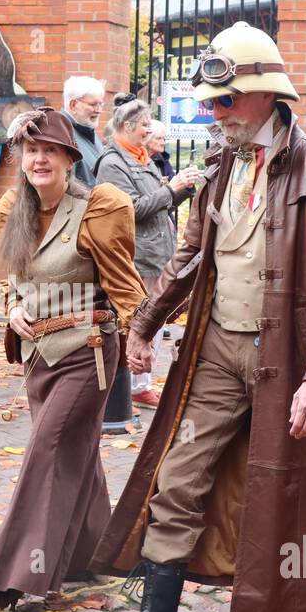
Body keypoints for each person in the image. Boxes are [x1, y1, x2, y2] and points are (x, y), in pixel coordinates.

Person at [78, 21, 306, 612]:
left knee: (279, 496)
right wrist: (144, 325)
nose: (216, 115)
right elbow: (189, 260)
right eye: (210, 104)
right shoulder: (218, 165)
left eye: (226, 101)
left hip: (288, 362)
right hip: (213, 354)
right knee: (177, 481)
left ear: (268, 95)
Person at [0, 107, 146, 610]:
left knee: (47, 451)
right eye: (31, 150)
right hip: (37, 357)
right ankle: (94, 554)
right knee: (76, 454)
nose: (39, 158)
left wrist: (140, 338)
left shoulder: (99, 207)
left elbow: (123, 283)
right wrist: (12, 308)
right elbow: (16, 282)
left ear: (70, 158)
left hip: (87, 354)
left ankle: (12, 575)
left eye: (50, 150)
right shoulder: (12, 209)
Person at [94, 97, 201, 408]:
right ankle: (136, 386)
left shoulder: (141, 158)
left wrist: (182, 190)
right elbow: (130, 210)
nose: (148, 130)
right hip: (139, 257)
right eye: (144, 124)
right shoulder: (112, 164)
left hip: (157, 254)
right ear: (127, 126)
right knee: (142, 320)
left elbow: (159, 207)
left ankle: (141, 382)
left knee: (155, 318)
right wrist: (170, 189)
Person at [60, 75, 106, 186]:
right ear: (73, 105)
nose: (99, 110)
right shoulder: (63, 136)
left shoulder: (87, 131)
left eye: (101, 104)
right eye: (93, 104)